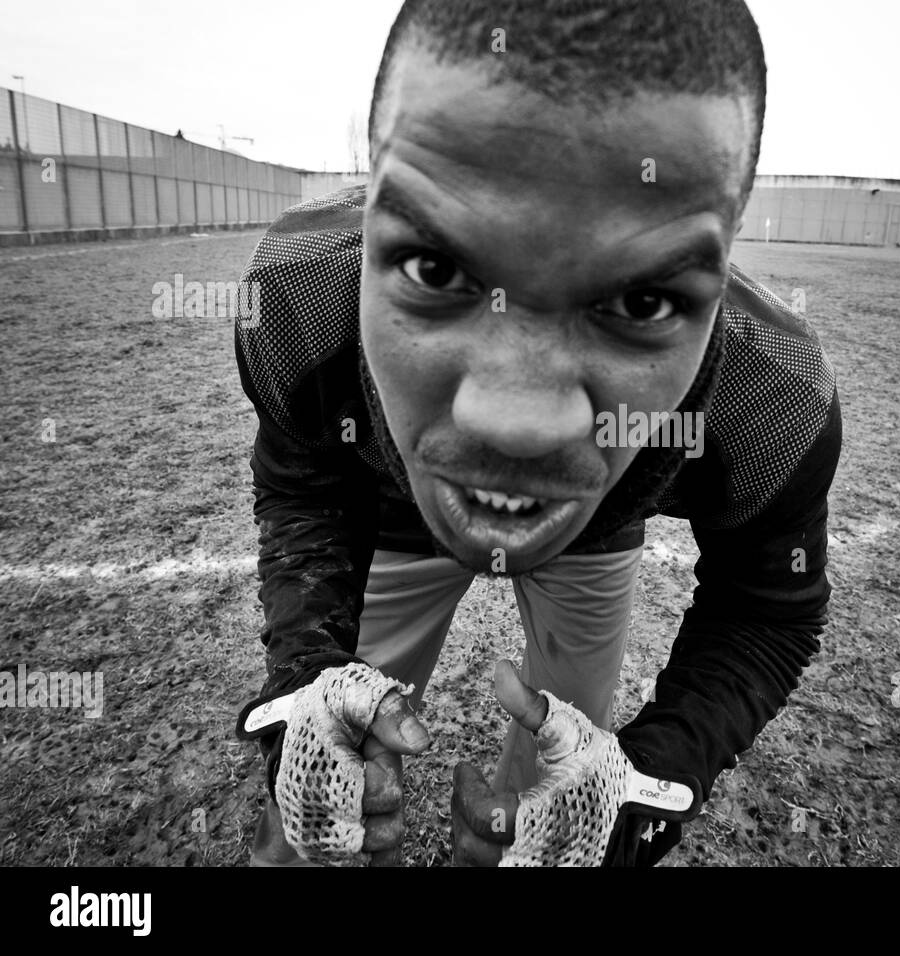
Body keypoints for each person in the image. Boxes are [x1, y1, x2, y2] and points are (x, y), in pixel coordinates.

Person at [234, 0, 840, 867]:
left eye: (640, 302)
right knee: (316, 780)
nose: (514, 424)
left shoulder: (771, 397)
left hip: (595, 527)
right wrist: (303, 672)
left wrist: (648, 787)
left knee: (569, 812)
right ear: (368, 208)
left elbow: (767, 605)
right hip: (397, 500)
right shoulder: (295, 299)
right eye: (436, 268)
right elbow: (304, 480)